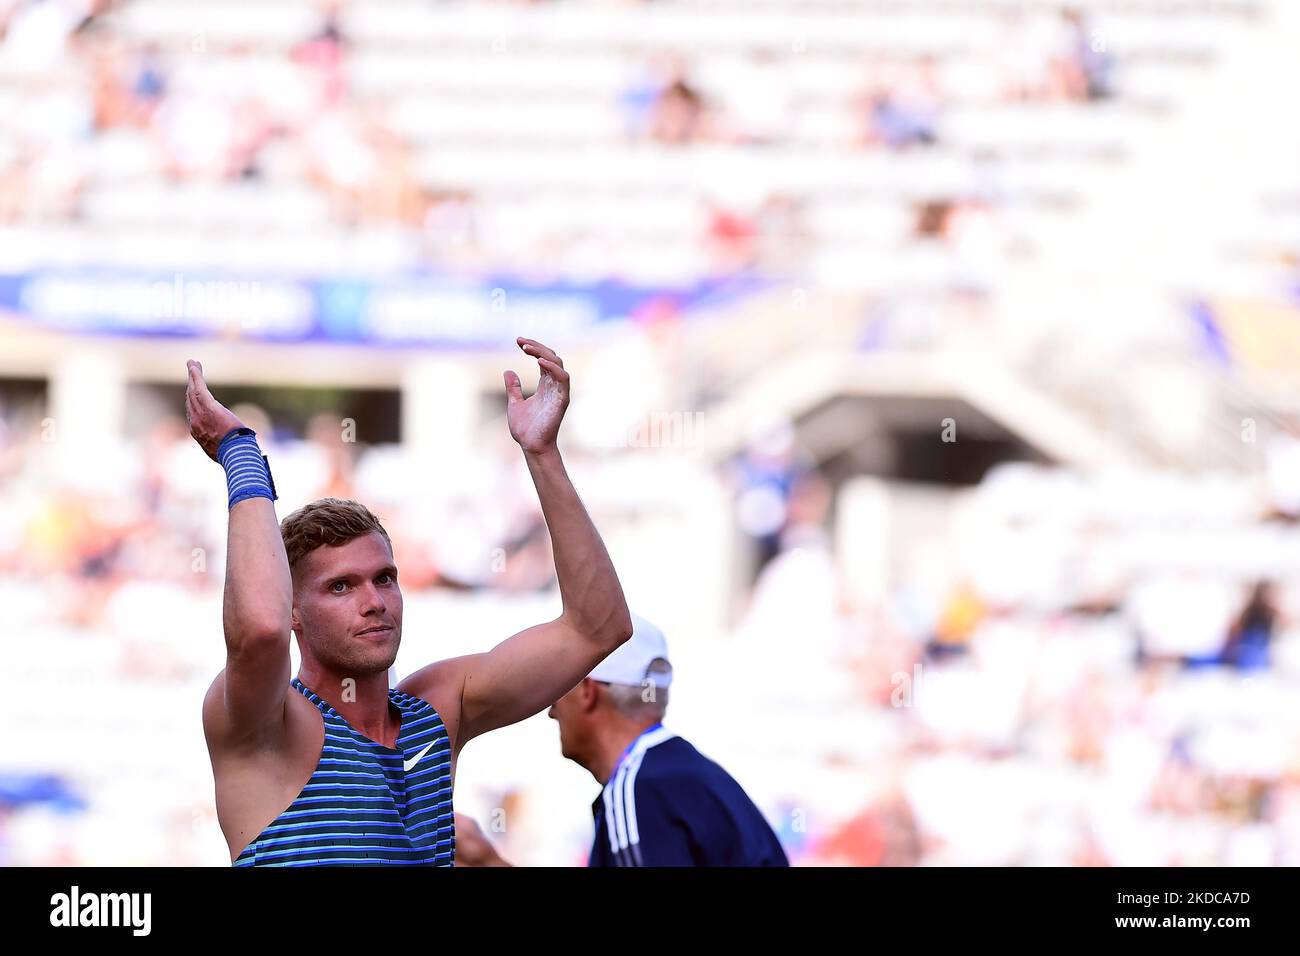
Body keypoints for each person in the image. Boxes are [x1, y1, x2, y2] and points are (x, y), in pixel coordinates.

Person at [188, 337, 634, 866]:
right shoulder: (269, 723)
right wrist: (239, 453)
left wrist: (541, 454)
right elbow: (259, 632)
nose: (374, 601)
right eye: (340, 586)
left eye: (384, 578)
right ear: (292, 610)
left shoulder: (438, 710)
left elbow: (598, 628)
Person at [457, 614, 789, 867]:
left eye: (558, 690)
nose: (551, 710)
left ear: (587, 692)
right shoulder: (692, 776)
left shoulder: (637, 788)